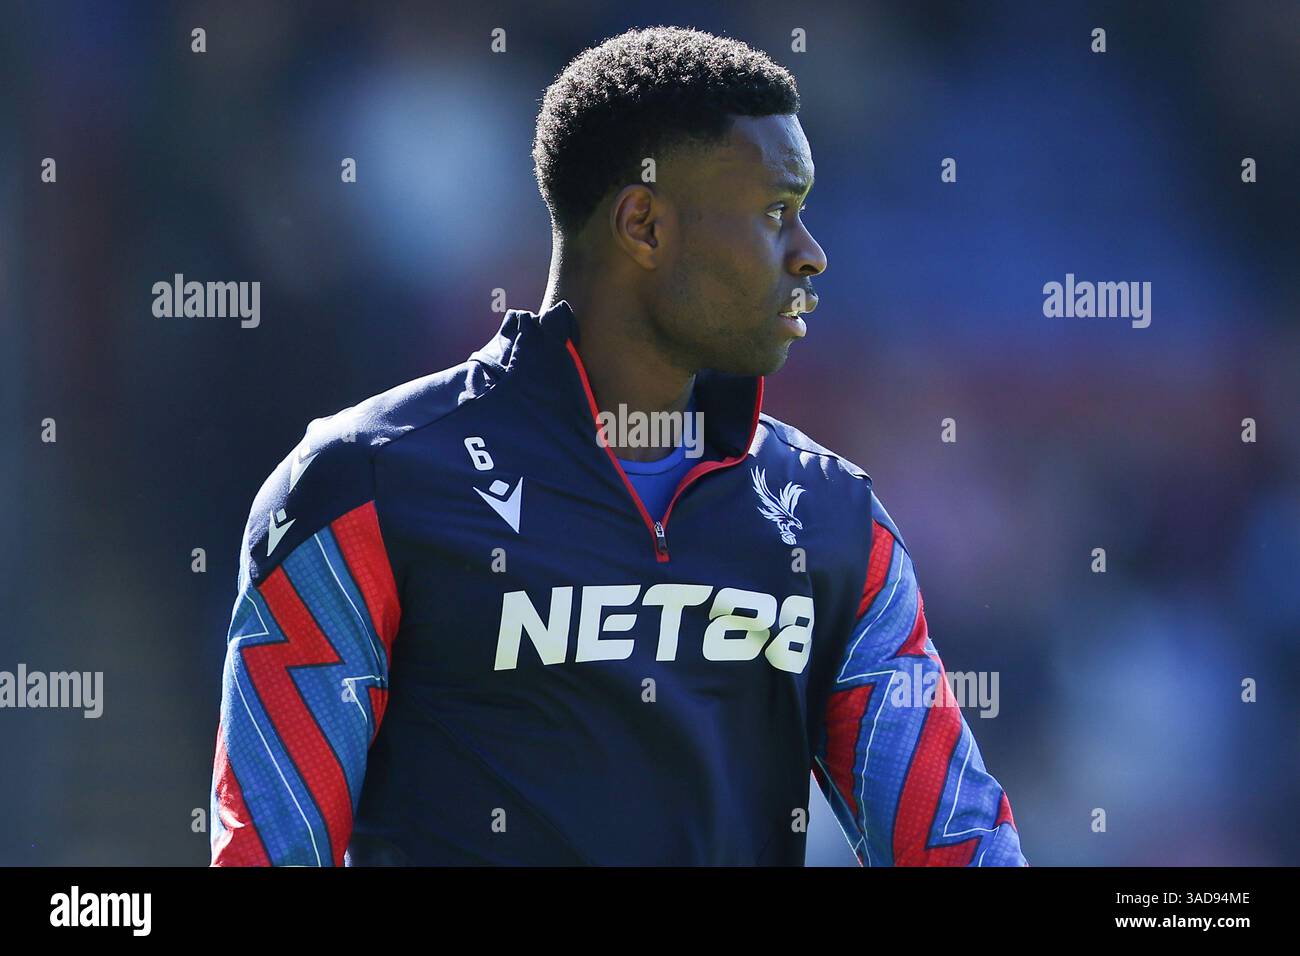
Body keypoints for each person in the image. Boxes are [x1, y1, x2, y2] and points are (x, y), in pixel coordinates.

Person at [209, 25, 1026, 866]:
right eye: (776, 213)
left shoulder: (837, 518)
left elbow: (959, 850)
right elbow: (268, 853)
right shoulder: (360, 488)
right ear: (643, 224)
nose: (811, 255)